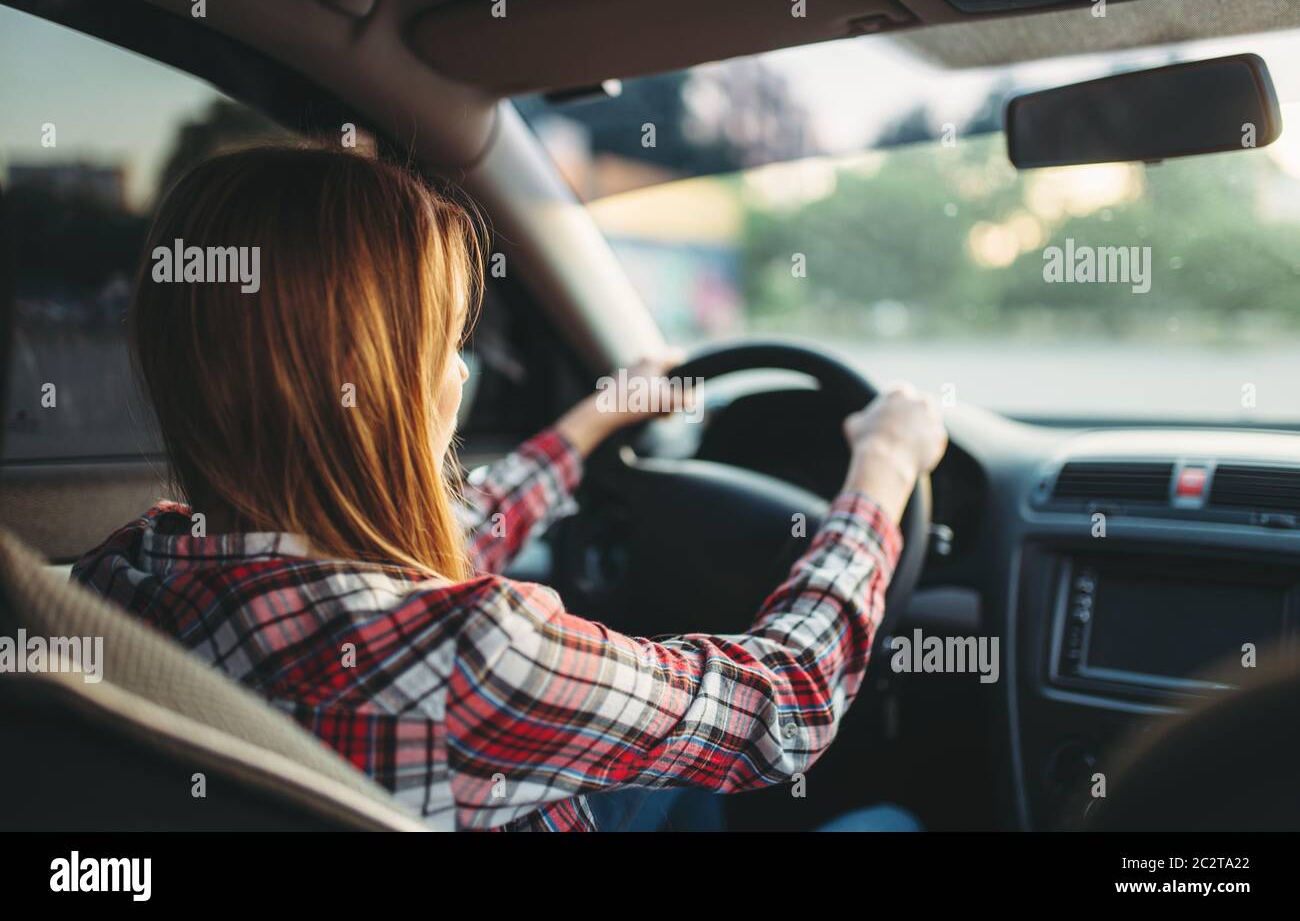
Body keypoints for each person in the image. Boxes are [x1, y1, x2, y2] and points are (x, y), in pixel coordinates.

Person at [73, 146, 948, 831]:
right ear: (378, 382)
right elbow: (785, 704)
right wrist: (881, 473)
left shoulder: (125, 576)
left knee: (674, 788)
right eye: (447, 341)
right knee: (895, 820)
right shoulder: (484, 658)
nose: (460, 374)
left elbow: (412, 557)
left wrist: (593, 423)